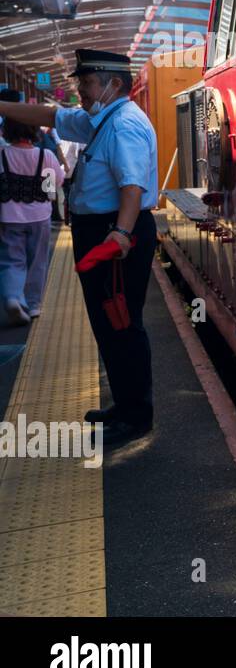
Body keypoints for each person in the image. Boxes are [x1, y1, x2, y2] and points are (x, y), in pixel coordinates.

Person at [0, 49, 159, 444]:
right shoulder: (100, 120)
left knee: (121, 322)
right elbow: (52, 117)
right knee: (108, 324)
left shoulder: (123, 125)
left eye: (86, 84)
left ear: (113, 84)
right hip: (102, 232)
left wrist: (121, 234)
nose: (80, 92)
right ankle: (123, 405)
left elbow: (133, 186)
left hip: (115, 236)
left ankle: (136, 416)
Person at [0, 116, 63, 323]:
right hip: (40, 216)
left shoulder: (1, 155)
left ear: (6, 131)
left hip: (9, 217)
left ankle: (12, 297)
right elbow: (53, 185)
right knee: (38, 261)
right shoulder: (46, 156)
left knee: (12, 260)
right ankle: (33, 304)